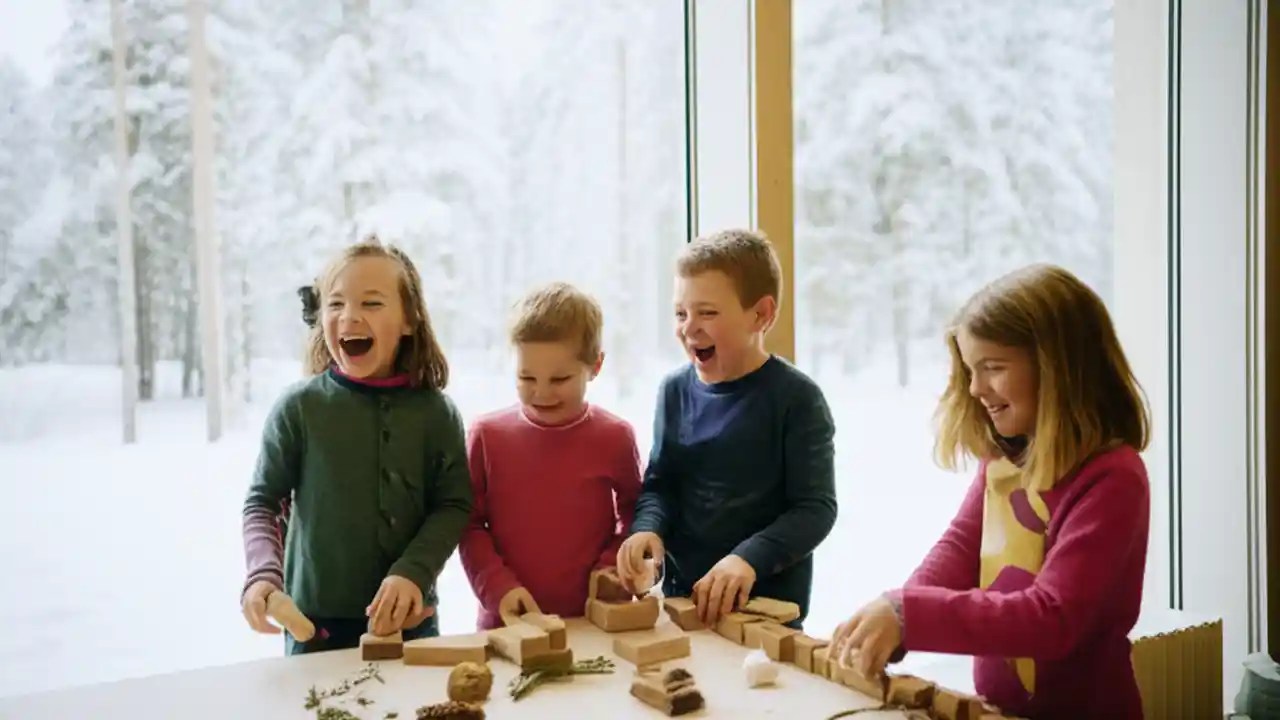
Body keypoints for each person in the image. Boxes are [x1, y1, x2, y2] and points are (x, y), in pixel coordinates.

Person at [831, 264, 1151, 720]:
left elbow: (1051, 618)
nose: (976, 388)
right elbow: (961, 547)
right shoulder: (1003, 458)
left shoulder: (1114, 479)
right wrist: (896, 617)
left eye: (993, 368)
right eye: (969, 371)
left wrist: (910, 614)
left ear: (1057, 368)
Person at [239, 236, 473, 654]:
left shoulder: (438, 414)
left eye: (371, 303)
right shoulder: (298, 409)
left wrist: (413, 572)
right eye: (336, 303)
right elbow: (263, 502)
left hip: (410, 623)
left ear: (409, 320)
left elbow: (453, 505)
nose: (350, 316)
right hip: (314, 630)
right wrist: (263, 575)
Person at [616, 229, 837, 628]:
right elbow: (661, 484)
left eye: (708, 313)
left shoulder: (797, 399)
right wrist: (647, 530)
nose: (689, 327)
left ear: (761, 315)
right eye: (680, 313)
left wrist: (747, 559)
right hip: (683, 608)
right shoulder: (673, 391)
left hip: (765, 617)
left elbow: (815, 509)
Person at [459, 282, 641, 629]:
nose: (541, 393)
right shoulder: (486, 436)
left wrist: (610, 566)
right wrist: (499, 589)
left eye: (560, 379)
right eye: (526, 377)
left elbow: (636, 515)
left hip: (592, 624)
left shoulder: (615, 437)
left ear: (596, 365)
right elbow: (467, 525)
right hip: (506, 626)